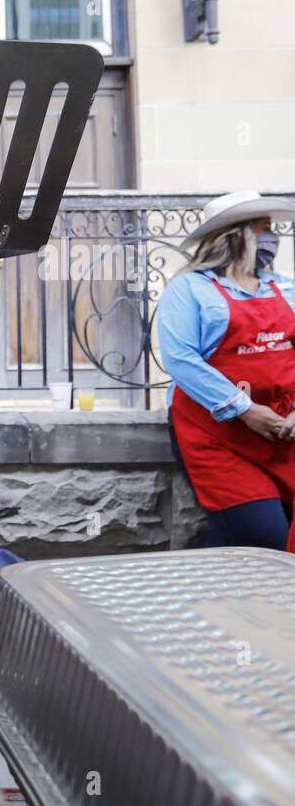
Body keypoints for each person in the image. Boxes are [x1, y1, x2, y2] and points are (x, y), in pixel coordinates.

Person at [161, 190, 295, 551]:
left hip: (283, 431)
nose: (274, 239)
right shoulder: (189, 288)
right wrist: (245, 410)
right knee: (265, 539)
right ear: (237, 235)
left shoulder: (284, 287)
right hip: (215, 435)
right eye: (264, 229)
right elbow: (181, 359)